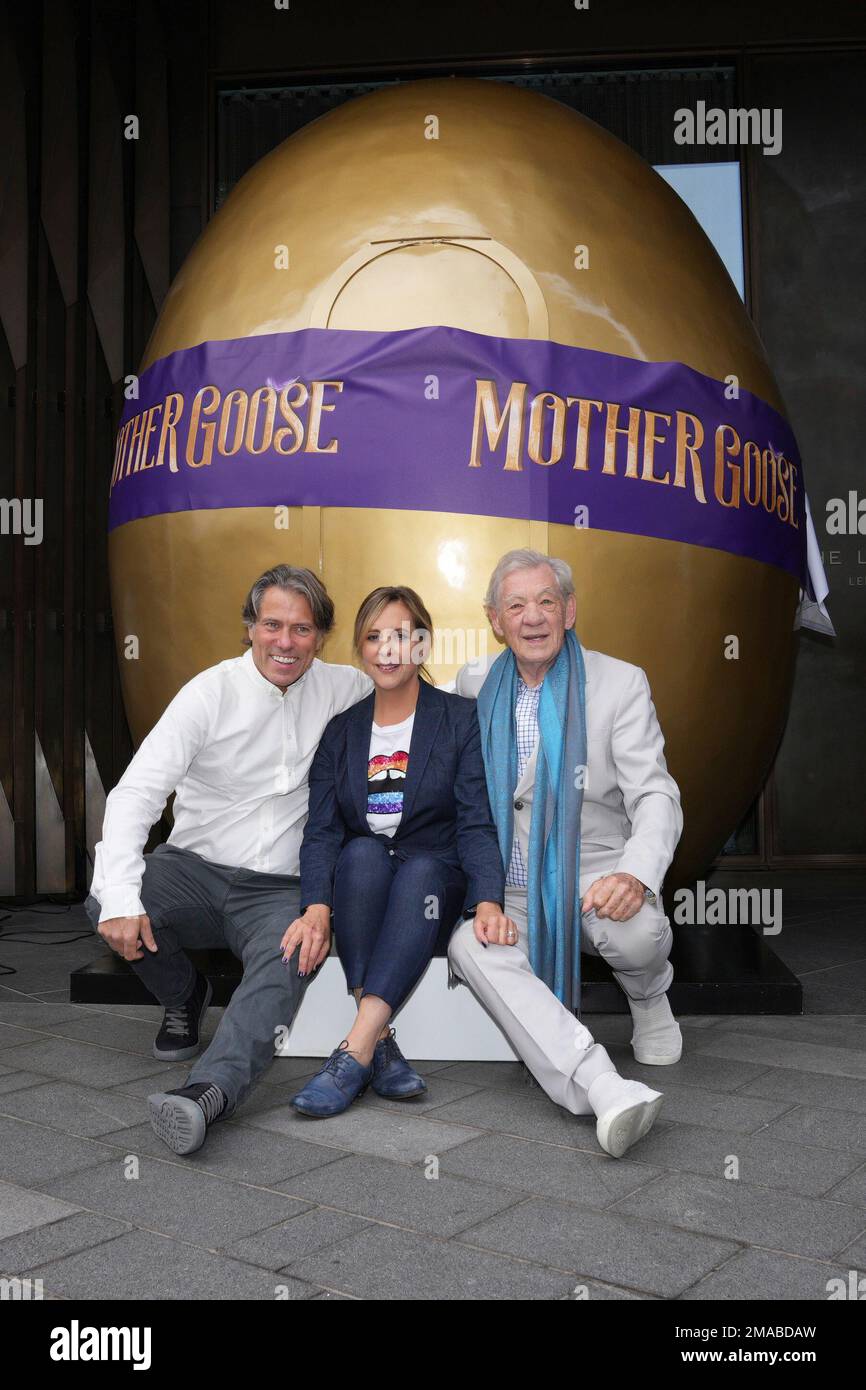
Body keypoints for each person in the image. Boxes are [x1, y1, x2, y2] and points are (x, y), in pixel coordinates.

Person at [84, 564, 372, 1155]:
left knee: (292, 951)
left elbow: (418, 697)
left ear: (320, 636)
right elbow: (137, 793)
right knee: (104, 898)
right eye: (272, 625)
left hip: (279, 886)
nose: (285, 643)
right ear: (249, 628)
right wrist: (119, 898)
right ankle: (184, 995)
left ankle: (207, 1094)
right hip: (194, 868)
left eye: (302, 629)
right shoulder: (208, 692)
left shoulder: (347, 688)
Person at [447, 548, 684, 1158]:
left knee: (634, 931)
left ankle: (649, 997)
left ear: (570, 610)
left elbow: (655, 792)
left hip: (593, 876)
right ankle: (598, 1081)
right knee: (469, 943)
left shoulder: (619, 681)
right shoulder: (473, 684)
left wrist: (637, 872)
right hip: (510, 890)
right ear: (495, 619)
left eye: (547, 601)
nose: (533, 617)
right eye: (516, 605)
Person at [283, 586, 510, 1117]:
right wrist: (316, 903)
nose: (388, 649)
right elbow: (321, 832)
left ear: (424, 646)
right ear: (361, 650)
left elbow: (477, 819)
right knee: (359, 856)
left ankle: (351, 1051)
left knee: (422, 870)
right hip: (367, 881)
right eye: (374, 636)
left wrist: (488, 900)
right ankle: (377, 1044)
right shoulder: (340, 732)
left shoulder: (458, 720)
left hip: (435, 878)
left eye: (402, 636)